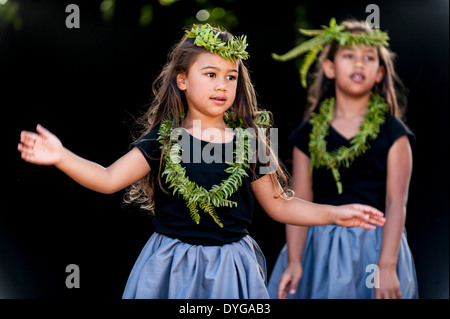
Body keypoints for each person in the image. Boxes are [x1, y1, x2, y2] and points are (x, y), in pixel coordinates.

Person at [18, 24, 385, 299]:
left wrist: (333, 213)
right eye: (210, 75)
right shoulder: (163, 141)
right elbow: (108, 177)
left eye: (230, 77)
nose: (222, 85)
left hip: (232, 268)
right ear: (182, 80)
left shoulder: (251, 141)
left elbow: (279, 204)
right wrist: (62, 156)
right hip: (170, 265)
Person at [268, 18, 418, 299]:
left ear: (380, 73)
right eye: (349, 55)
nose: (359, 64)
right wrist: (296, 261)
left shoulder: (394, 134)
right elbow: (299, 199)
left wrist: (386, 266)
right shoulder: (308, 134)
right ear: (330, 67)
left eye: (368, 58)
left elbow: (396, 202)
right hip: (319, 245)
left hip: (373, 248)